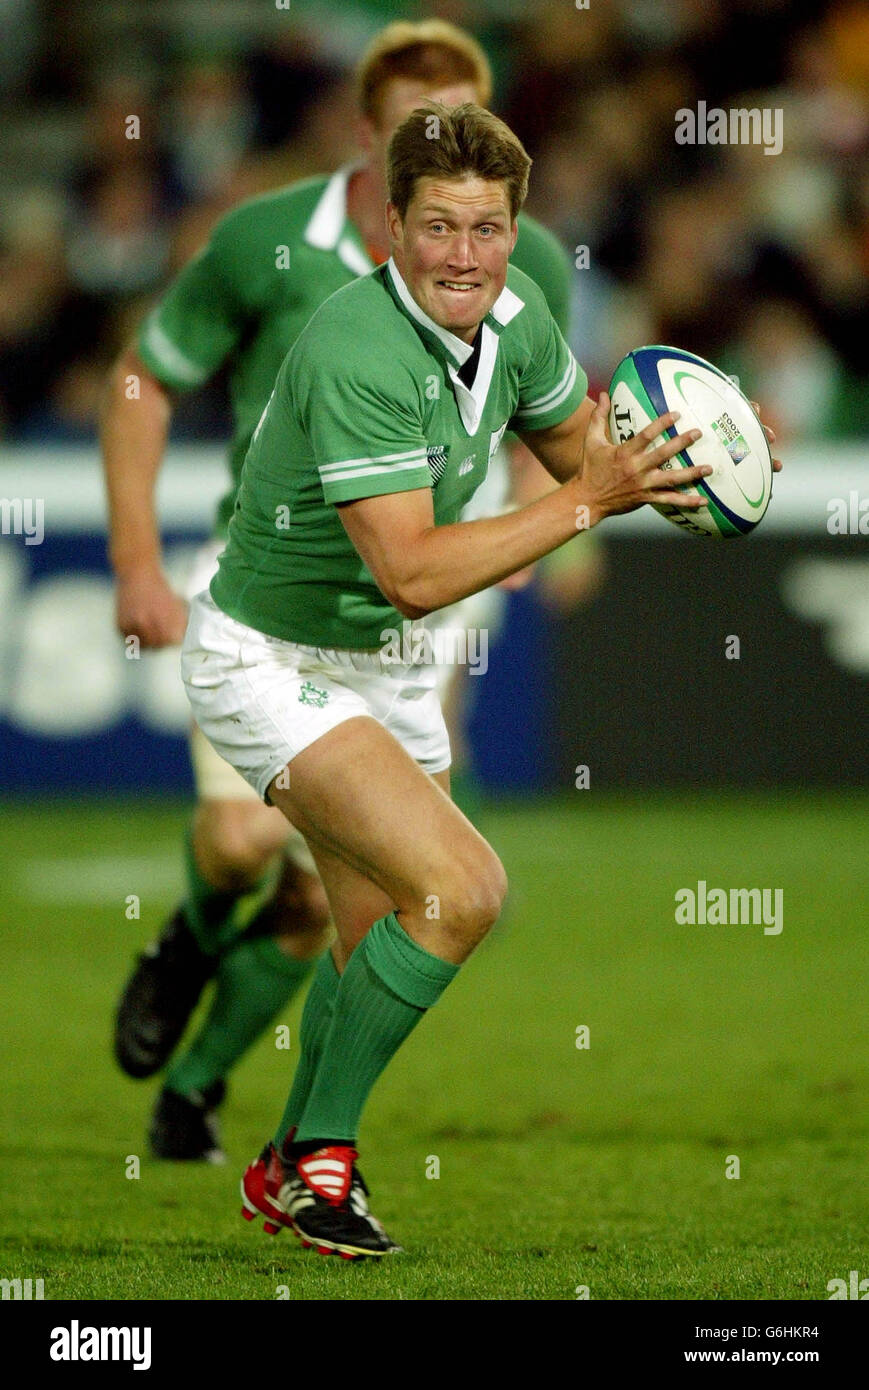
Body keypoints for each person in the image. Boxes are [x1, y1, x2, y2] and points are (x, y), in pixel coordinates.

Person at [183, 102, 777, 1258]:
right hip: (274, 657)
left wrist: (707, 449)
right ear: (392, 225)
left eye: (488, 227)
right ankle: (316, 1163)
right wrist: (587, 502)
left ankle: (293, 1163)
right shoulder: (357, 348)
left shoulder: (517, 317)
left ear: (516, 230)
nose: (464, 253)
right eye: (439, 225)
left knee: (372, 945)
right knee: (461, 890)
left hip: (389, 672)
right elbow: (408, 569)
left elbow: (587, 453)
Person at [102, 20, 587, 1161]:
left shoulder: (521, 271)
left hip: (420, 608)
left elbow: (550, 418)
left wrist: (683, 458)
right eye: (426, 133)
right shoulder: (268, 245)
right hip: (276, 602)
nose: (454, 147)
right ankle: (193, 944)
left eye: (474, 126)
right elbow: (143, 378)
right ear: (367, 138)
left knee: (355, 905)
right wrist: (132, 556)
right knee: (243, 850)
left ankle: (214, 1105)